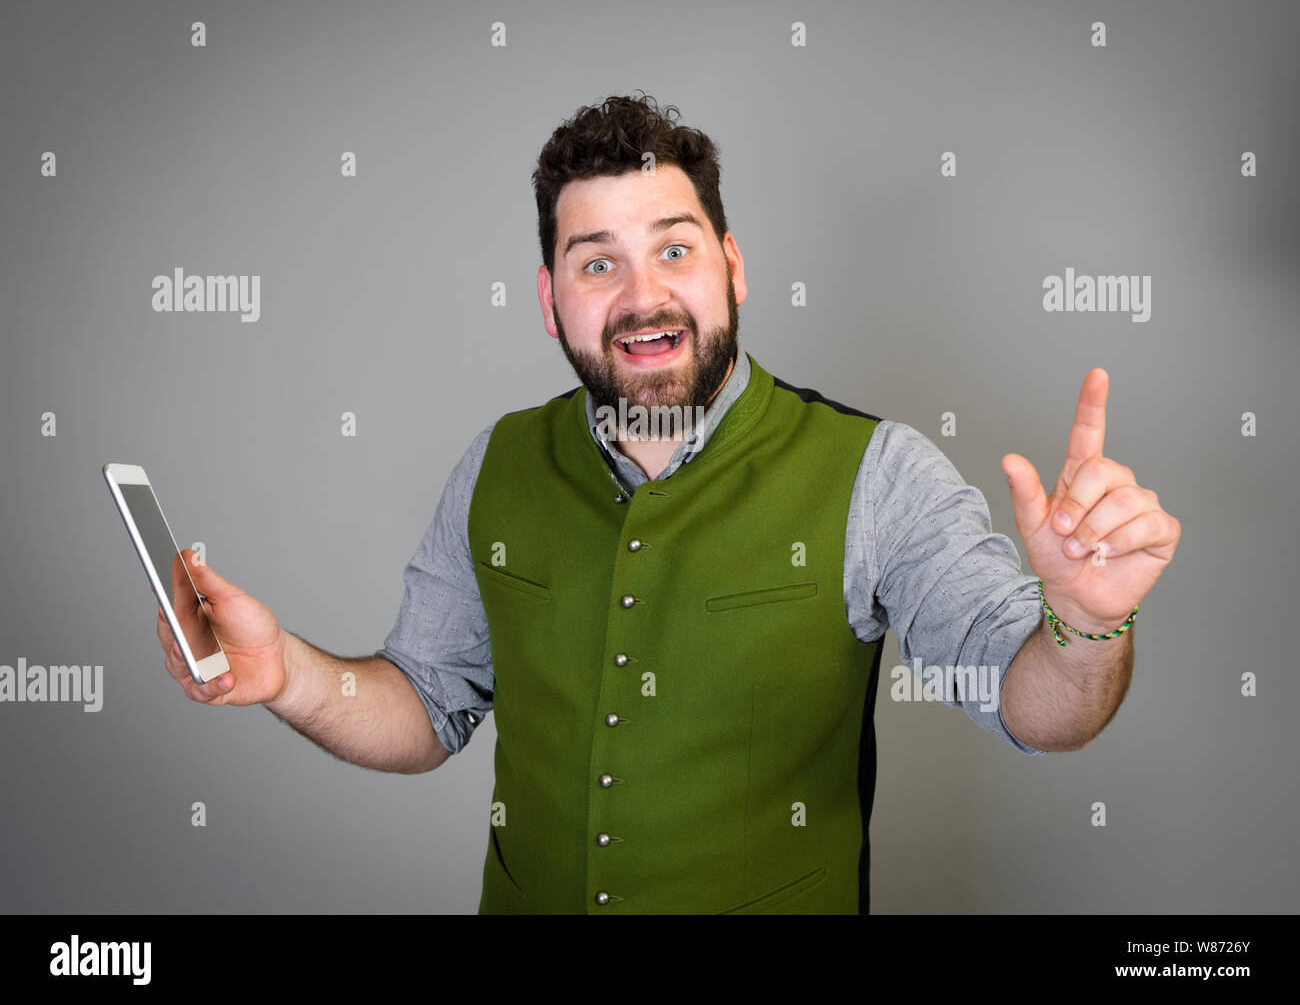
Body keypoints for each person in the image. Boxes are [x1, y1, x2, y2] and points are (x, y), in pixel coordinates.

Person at [156, 92, 1180, 914]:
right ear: (551, 300)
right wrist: (282, 670)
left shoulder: (878, 475)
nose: (642, 294)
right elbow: (424, 705)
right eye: (596, 261)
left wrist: (1087, 625)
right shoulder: (496, 464)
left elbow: (1034, 705)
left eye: (675, 249)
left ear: (732, 270)